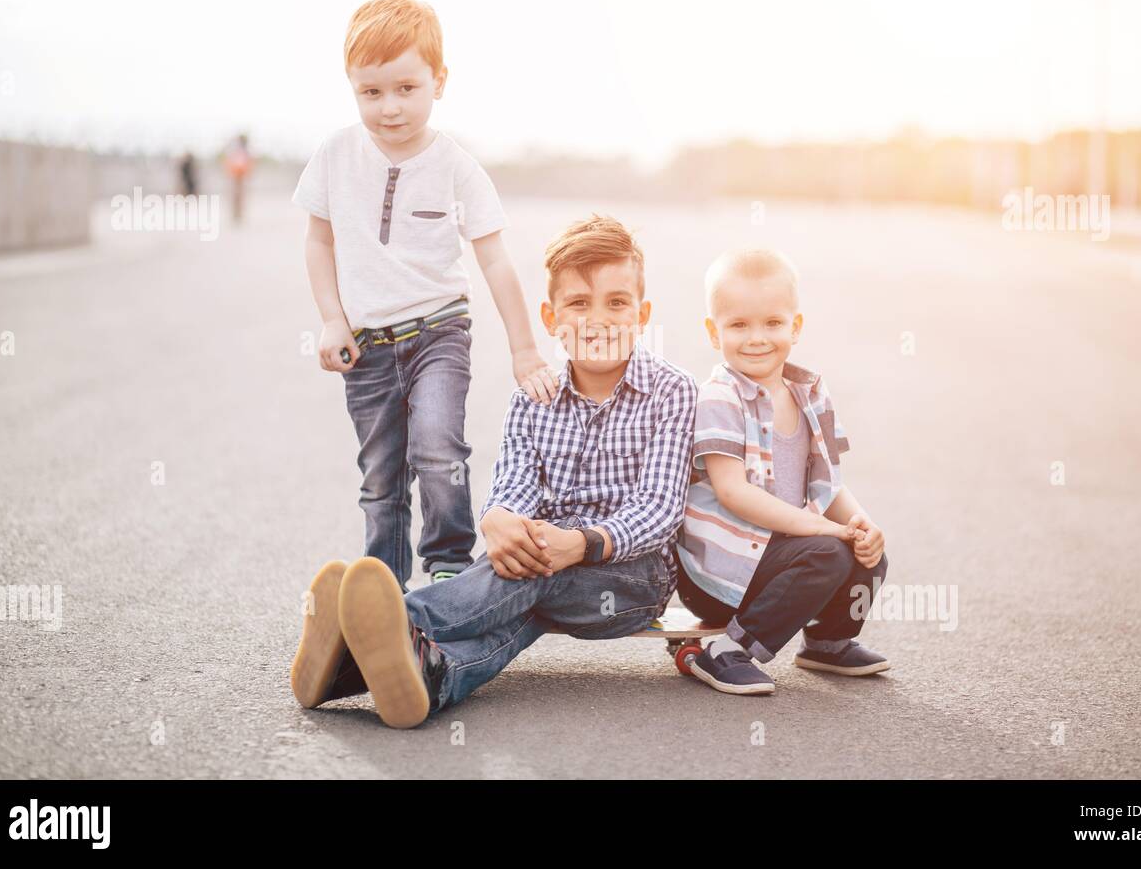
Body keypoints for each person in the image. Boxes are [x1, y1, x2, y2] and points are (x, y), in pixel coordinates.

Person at [289, 216, 698, 728]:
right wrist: (501, 517)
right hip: (539, 562)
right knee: (519, 586)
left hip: (633, 578)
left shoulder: (672, 391)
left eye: (617, 302)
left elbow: (659, 508)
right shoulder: (534, 394)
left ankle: (393, 622)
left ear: (642, 314)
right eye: (578, 303)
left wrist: (584, 544)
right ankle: (426, 676)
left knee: (532, 570)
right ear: (550, 317)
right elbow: (516, 480)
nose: (598, 318)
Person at [291, 0, 556, 587]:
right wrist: (332, 319)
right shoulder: (335, 155)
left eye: (407, 88)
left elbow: (494, 260)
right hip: (366, 345)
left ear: (440, 80)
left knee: (439, 449)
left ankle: (446, 568)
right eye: (372, 92)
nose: (390, 108)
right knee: (381, 476)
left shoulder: (456, 167)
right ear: (352, 87)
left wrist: (524, 350)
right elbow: (318, 242)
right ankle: (382, 589)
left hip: (439, 331)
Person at [676, 248, 891, 696]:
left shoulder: (809, 392)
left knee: (869, 554)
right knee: (828, 553)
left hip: (783, 553)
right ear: (714, 332)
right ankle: (728, 650)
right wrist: (823, 531)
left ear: (795, 326)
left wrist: (860, 525)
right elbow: (734, 493)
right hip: (722, 569)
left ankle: (827, 643)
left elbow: (828, 482)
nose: (756, 338)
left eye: (772, 323)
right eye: (738, 325)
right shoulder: (721, 396)